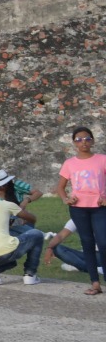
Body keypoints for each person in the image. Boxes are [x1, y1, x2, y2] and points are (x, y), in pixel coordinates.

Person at [54, 125, 106, 295]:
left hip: (99, 207)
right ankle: (95, 283)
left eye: (87, 139)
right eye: (79, 139)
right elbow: (61, 187)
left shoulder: (102, 159)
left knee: (103, 243)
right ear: (74, 143)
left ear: (93, 141)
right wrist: (66, 199)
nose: (83, 142)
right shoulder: (70, 163)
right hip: (78, 208)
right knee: (88, 243)